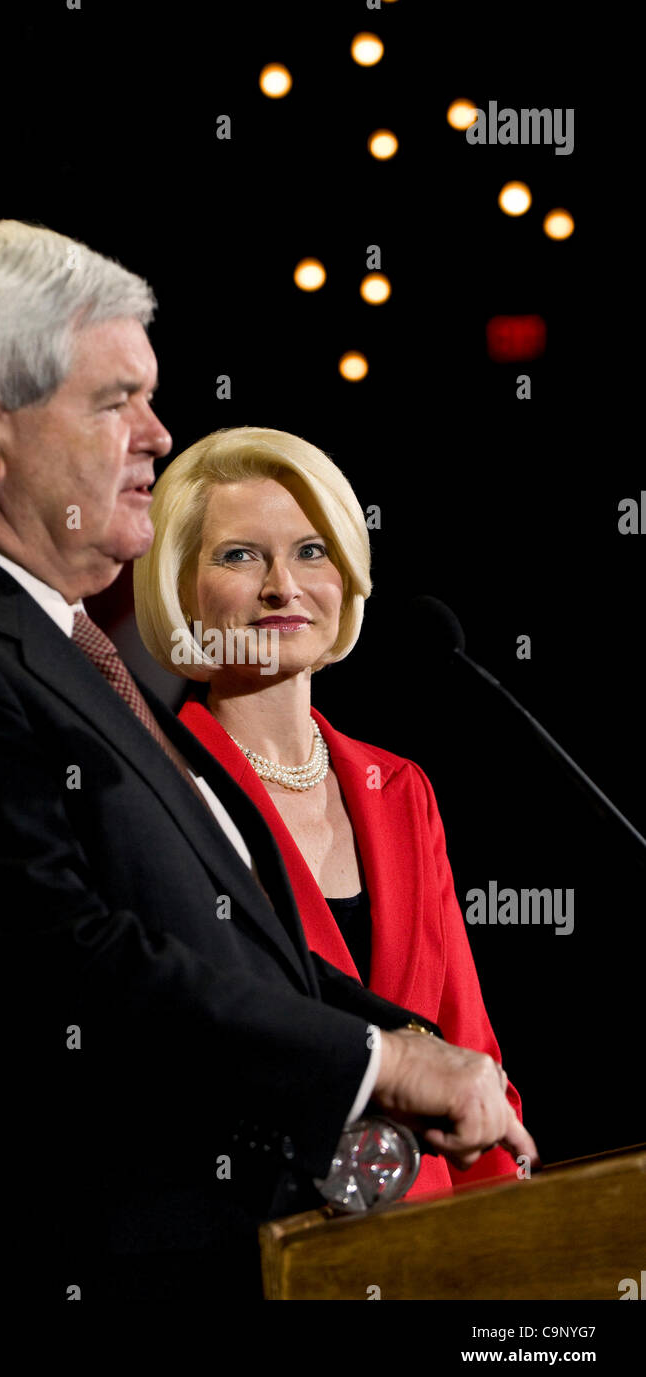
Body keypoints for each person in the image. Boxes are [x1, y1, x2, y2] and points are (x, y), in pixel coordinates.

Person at [0, 221, 536, 1311]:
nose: (157, 433)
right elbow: (57, 963)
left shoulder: (65, 653)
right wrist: (378, 1067)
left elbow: (234, 939)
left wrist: (408, 1042)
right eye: (116, 400)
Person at [133, 425, 525, 1198]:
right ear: (181, 586)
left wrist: (514, 1228)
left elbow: (469, 1045)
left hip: (440, 1244)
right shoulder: (158, 788)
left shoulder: (402, 788)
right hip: (262, 1242)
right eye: (241, 555)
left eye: (313, 551)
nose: (285, 585)